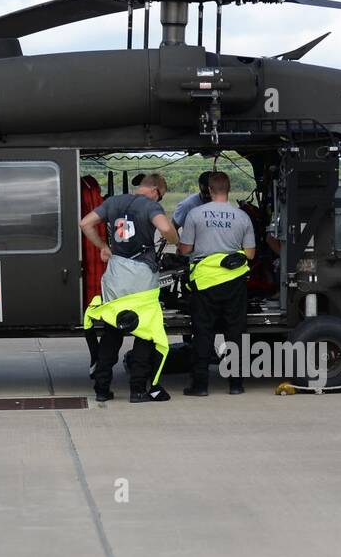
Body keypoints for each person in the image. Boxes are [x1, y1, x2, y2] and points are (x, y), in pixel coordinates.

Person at [78, 172, 178, 403]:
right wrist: (173, 239)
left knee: (112, 331)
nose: (159, 201)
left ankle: (102, 388)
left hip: (116, 274)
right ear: (155, 191)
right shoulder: (150, 206)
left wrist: (103, 246)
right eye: (160, 197)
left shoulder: (113, 202)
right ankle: (138, 390)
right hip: (142, 277)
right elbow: (164, 228)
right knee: (145, 332)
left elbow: (85, 223)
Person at [176, 170, 256, 396]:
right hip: (235, 281)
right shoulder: (242, 216)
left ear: (209, 190)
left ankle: (200, 386)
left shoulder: (195, 214)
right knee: (235, 332)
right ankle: (236, 385)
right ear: (228, 190)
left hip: (205, 282)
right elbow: (250, 254)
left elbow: (185, 249)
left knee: (203, 332)